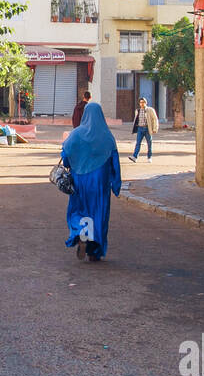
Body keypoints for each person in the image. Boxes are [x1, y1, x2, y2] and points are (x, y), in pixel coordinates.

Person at [61, 102, 122, 262]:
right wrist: (116, 185)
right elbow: (115, 163)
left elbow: (66, 158)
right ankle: (94, 252)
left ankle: (82, 232)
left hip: (79, 182)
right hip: (100, 184)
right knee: (98, 214)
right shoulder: (107, 136)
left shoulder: (76, 134)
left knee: (79, 211)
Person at [131, 96, 159, 162]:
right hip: (140, 128)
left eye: (143, 102)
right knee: (138, 143)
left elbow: (155, 119)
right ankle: (134, 157)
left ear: (146, 103)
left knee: (149, 143)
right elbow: (136, 119)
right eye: (141, 102)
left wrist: (155, 128)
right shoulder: (137, 111)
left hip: (147, 129)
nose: (142, 104)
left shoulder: (150, 110)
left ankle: (149, 157)